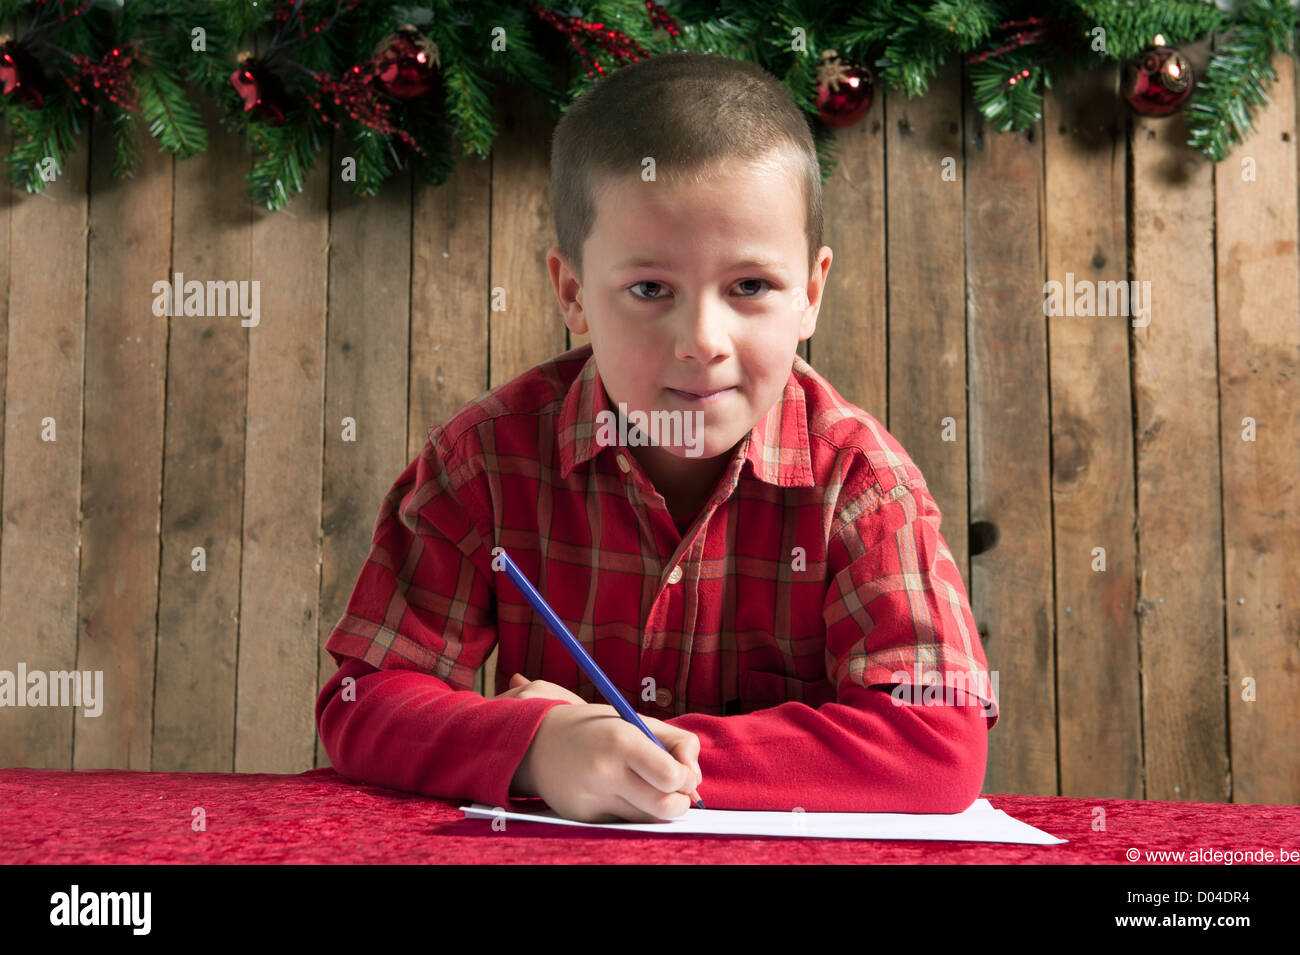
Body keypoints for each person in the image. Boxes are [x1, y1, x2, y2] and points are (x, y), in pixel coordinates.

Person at [316, 51, 998, 824]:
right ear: (573, 294)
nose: (701, 339)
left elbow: (937, 737)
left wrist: (639, 752)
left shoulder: (861, 482)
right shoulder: (484, 461)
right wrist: (541, 745)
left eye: (750, 286)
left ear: (810, 295)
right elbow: (360, 696)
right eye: (650, 289)